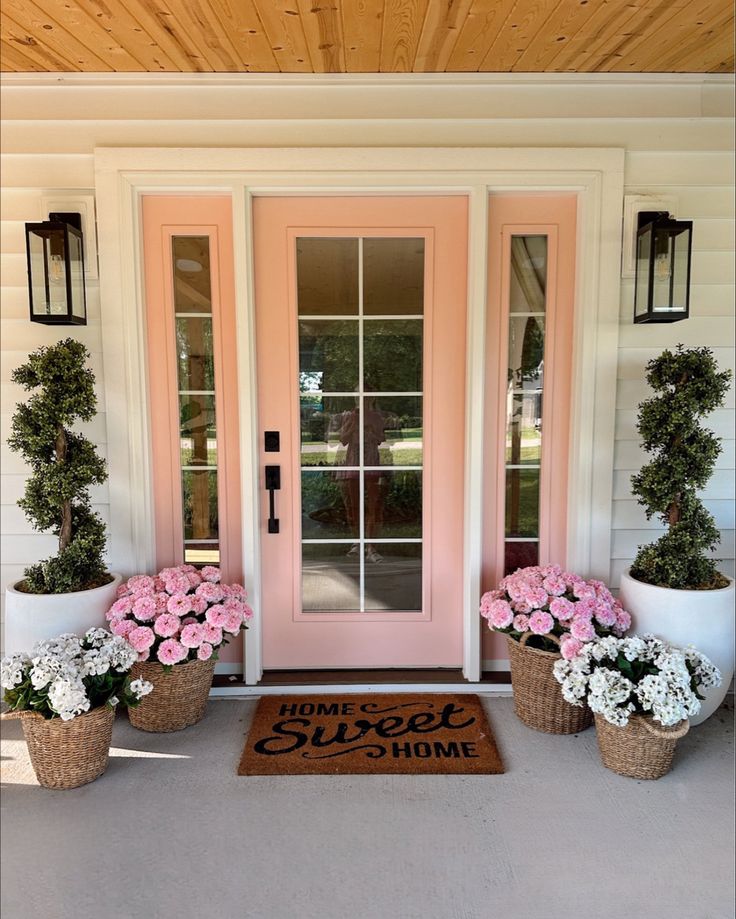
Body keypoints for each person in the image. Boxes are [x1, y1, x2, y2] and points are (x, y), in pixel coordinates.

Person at [337, 395, 389, 563]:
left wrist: (371, 430)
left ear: (372, 399)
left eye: (367, 398)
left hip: (371, 463)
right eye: (359, 397)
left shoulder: (376, 417)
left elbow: (383, 439)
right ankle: (357, 542)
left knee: (374, 506)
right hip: (353, 463)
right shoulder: (348, 416)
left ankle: (371, 547)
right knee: (353, 505)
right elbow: (342, 440)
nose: (363, 401)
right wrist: (353, 425)